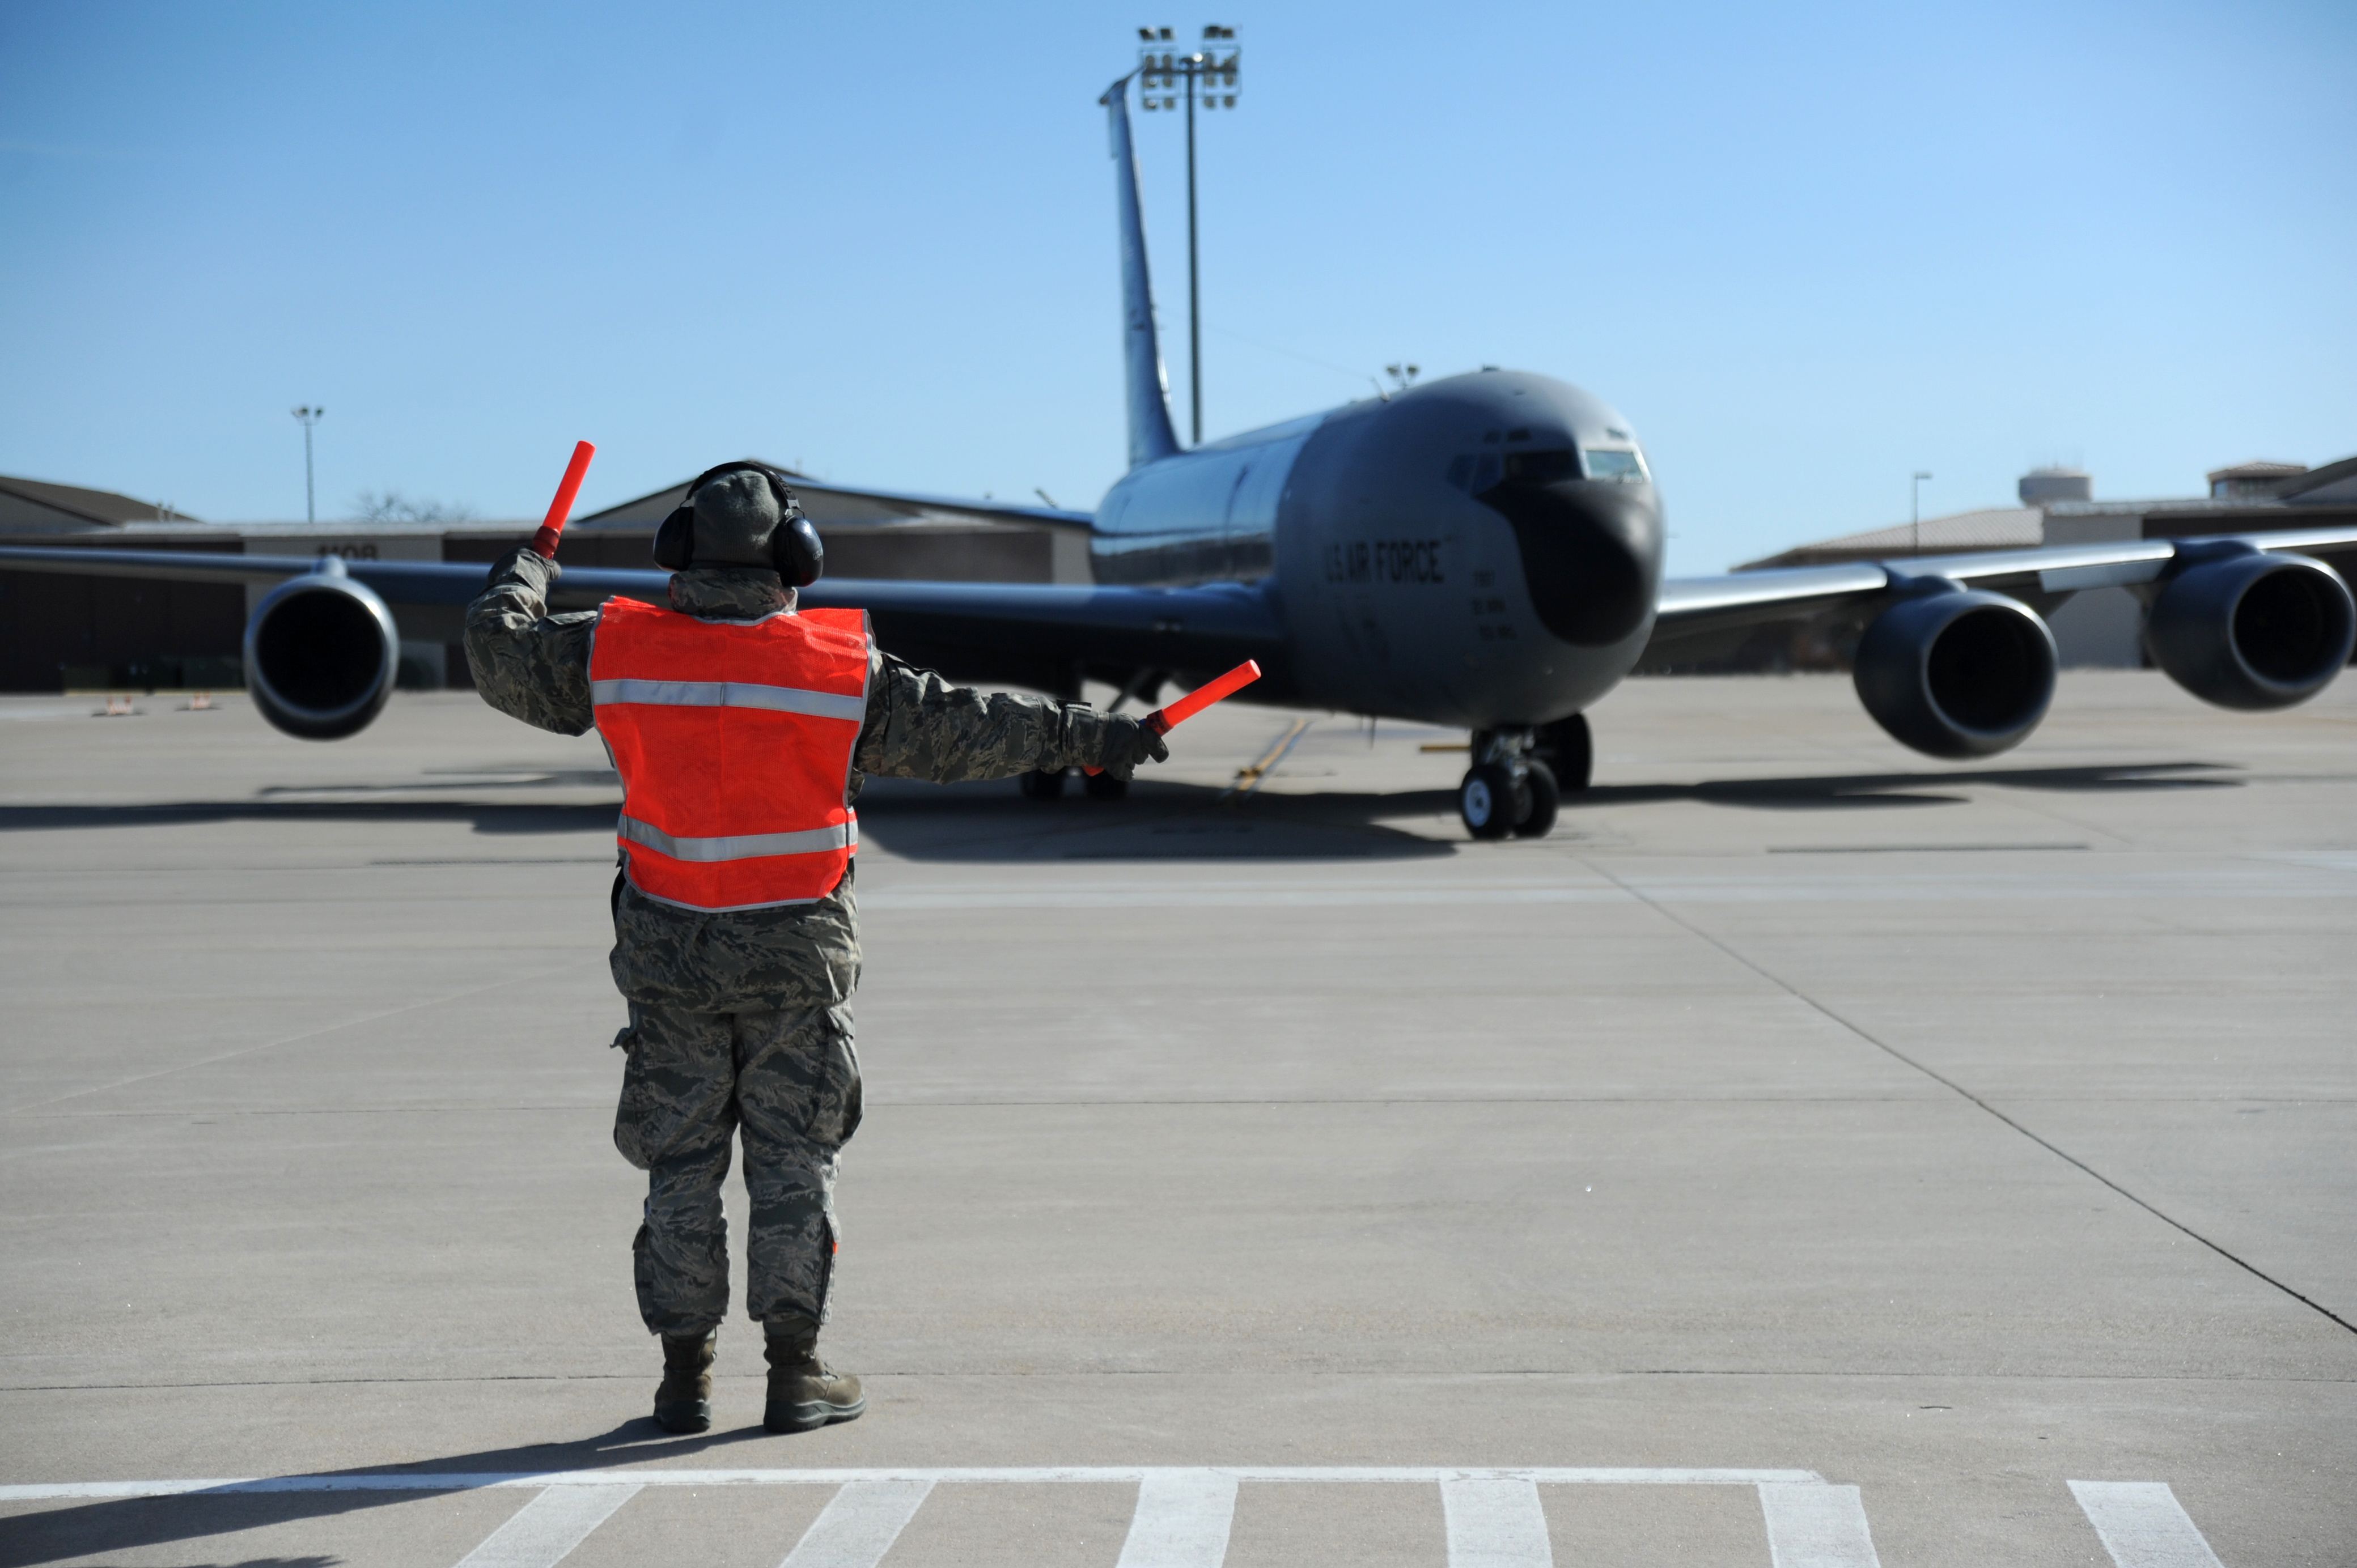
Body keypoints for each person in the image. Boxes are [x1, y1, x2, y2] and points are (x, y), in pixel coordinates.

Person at [463, 461, 1165, 1434]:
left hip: (669, 960)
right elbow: (969, 729)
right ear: (796, 555)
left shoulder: (615, 647)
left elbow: (498, 651)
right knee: (793, 1164)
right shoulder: (838, 667)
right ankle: (795, 1373)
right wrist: (1097, 739)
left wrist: (527, 569)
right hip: (796, 961)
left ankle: (683, 1380)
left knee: (679, 1169)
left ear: (679, 550)